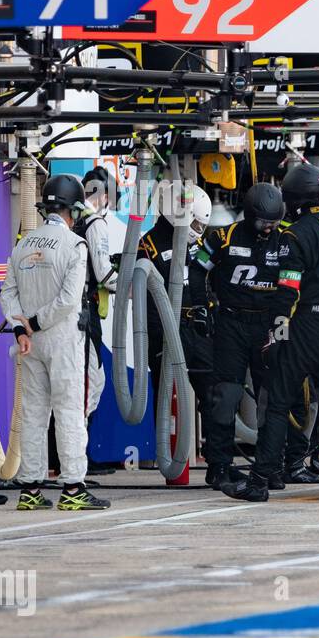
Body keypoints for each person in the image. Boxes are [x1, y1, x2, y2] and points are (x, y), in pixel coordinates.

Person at [223, 162, 319, 503]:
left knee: (277, 403)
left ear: (292, 198)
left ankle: (260, 481)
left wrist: (276, 336)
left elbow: (287, 290)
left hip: (305, 327)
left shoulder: (294, 235)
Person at [189, 183, 319, 491]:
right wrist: (201, 306)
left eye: (274, 222)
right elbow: (197, 270)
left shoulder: (287, 240)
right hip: (231, 323)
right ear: (250, 215)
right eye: (264, 222)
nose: (269, 228)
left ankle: (271, 466)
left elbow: (299, 284)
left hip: (271, 324)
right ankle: (219, 466)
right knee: (225, 396)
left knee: (275, 396)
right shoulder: (223, 237)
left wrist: (283, 330)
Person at [0, 174, 109, 510]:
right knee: (69, 412)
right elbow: (67, 300)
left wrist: (21, 330)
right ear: (73, 210)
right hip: (63, 340)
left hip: (29, 345)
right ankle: (73, 488)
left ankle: (30, 490)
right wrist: (34, 323)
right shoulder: (76, 245)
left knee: (33, 413)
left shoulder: (23, 243)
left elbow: (7, 292)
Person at [138, 184, 213, 454]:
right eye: (195, 223)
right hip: (166, 330)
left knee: (213, 392)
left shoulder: (199, 243)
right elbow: (144, 298)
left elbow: (207, 279)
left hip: (197, 328)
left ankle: (218, 462)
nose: (199, 231)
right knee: (167, 397)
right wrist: (159, 338)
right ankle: (169, 459)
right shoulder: (148, 245)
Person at [76, 166, 118, 421]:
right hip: (85, 314)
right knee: (92, 382)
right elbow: (104, 275)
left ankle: (60, 457)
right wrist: (129, 284)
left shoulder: (71, 220)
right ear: (103, 196)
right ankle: (76, 457)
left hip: (68, 312)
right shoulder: (95, 223)